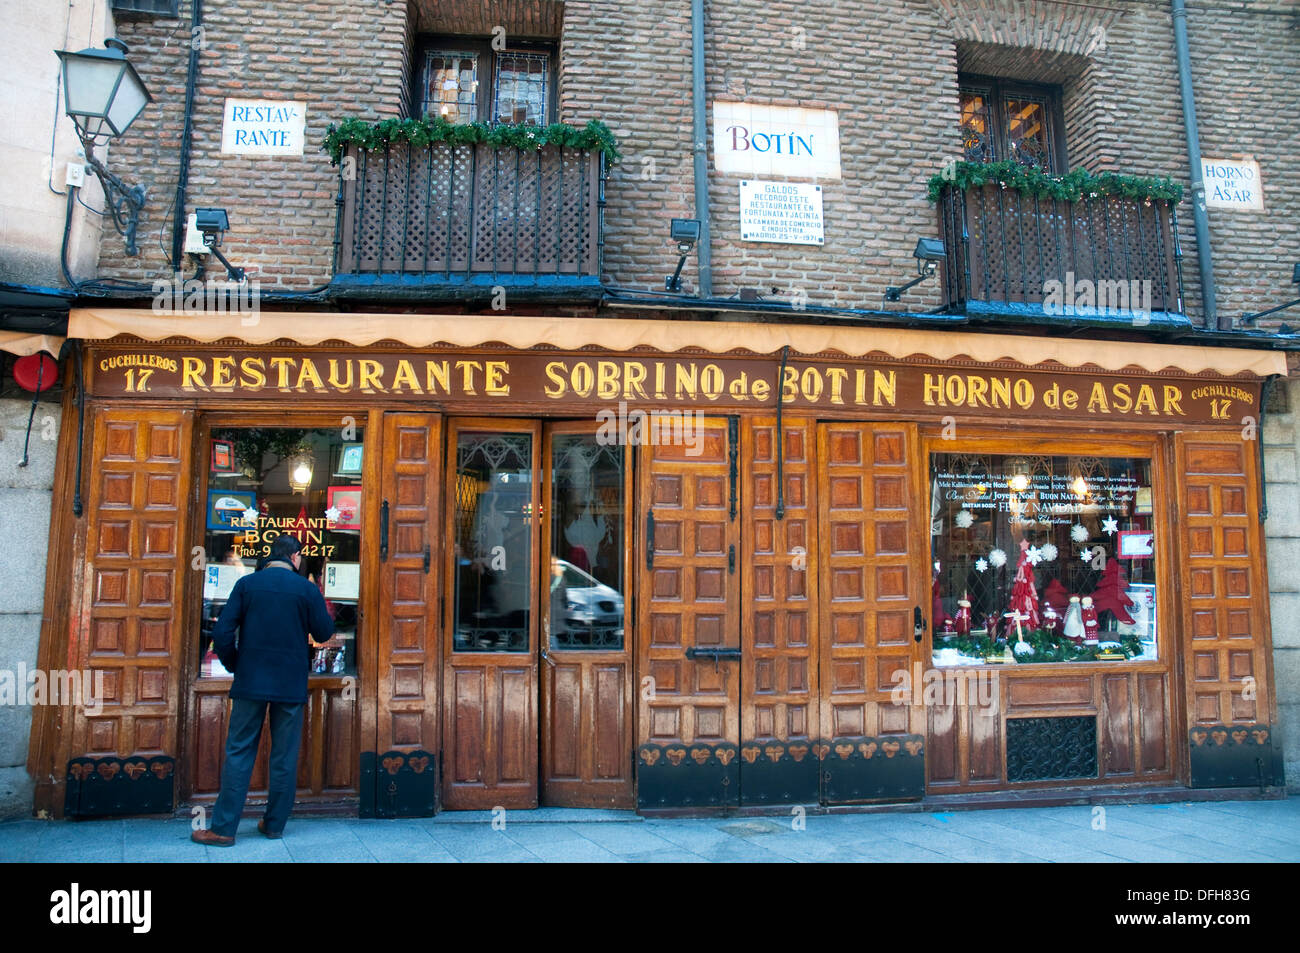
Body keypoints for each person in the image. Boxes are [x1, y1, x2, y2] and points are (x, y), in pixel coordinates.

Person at [191, 534, 334, 846]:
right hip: (290, 684)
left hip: (251, 681)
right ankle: (274, 825)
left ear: (271, 557)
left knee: (240, 751)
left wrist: (234, 665)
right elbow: (324, 631)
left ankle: (224, 829)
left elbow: (222, 632)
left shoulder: (247, 584)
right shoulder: (306, 589)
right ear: (295, 557)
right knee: (284, 756)